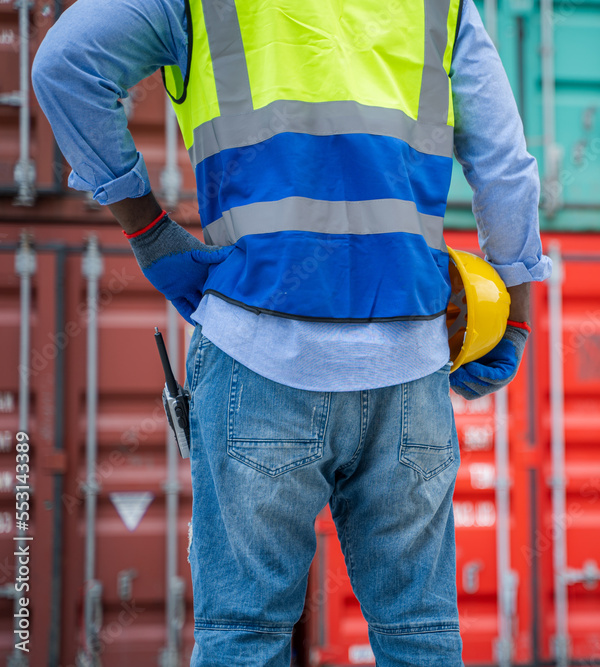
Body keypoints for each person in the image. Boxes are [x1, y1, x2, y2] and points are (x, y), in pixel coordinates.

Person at [32, 0, 550, 664]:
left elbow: (65, 65)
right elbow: (504, 162)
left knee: (243, 633)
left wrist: (150, 232)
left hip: (257, 351)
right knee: (418, 630)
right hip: (410, 365)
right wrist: (515, 316)